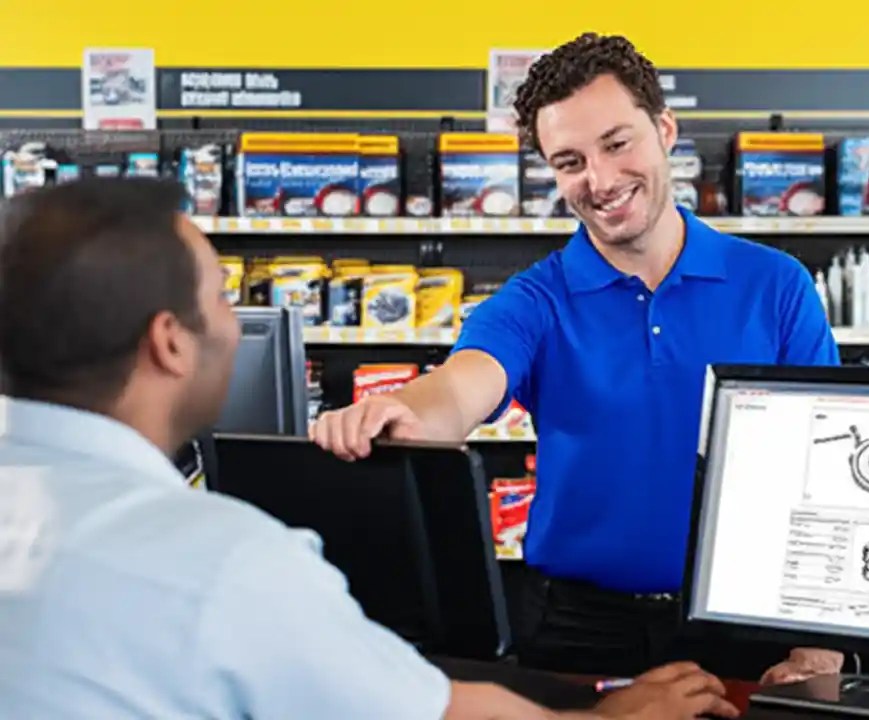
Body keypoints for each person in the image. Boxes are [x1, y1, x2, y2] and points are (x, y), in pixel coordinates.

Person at [0, 178, 738, 720]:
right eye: (221, 297)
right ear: (169, 342)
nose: (234, 323)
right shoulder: (222, 561)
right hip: (580, 630)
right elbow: (426, 713)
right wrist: (609, 719)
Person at [310, 32, 842, 679]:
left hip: (745, 623)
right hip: (575, 630)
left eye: (618, 144)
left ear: (665, 129)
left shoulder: (776, 286)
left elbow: (825, 474)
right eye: (570, 161)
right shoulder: (537, 300)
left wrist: (822, 642)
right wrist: (397, 411)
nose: (601, 180)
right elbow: (459, 387)